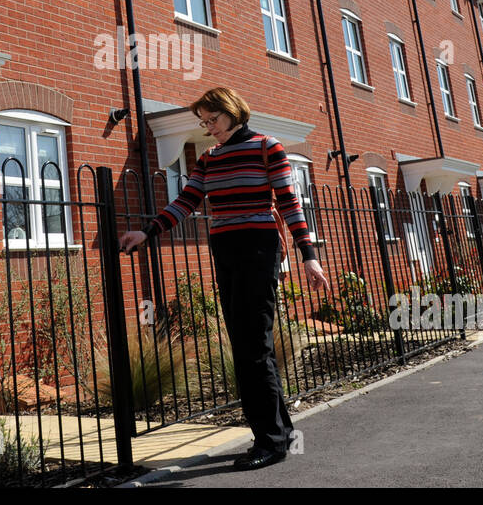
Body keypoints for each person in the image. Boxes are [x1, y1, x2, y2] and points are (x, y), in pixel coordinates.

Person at [118, 87, 330, 471]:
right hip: (225, 250)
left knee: (253, 348)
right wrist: (148, 232)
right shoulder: (208, 159)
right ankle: (278, 433)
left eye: (212, 119)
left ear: (233, 114)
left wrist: (309, 257)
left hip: (260, 249)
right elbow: (186, 202)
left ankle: (269, 441)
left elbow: (289, 203)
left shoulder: (268, 147)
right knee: (247, 346)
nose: (209, 127)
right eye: (203, 122)